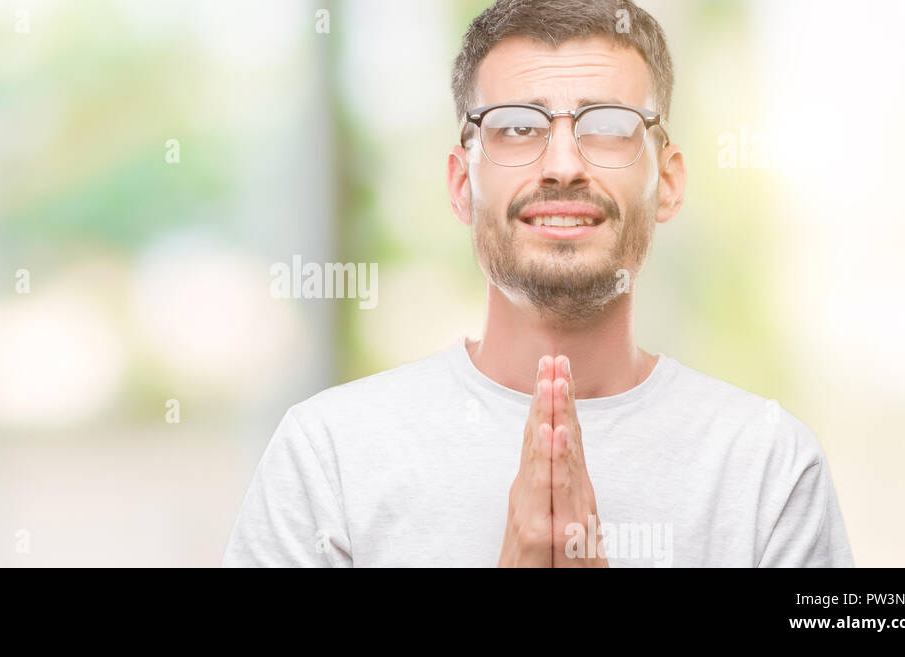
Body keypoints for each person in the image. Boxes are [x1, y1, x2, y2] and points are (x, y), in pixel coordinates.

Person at [221, 0, 853, 567]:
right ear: (461, 184)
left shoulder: (769, 470)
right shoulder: (327, 457)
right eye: (518, 126)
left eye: (607, 125)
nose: (562, 165)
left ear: (669, 181)